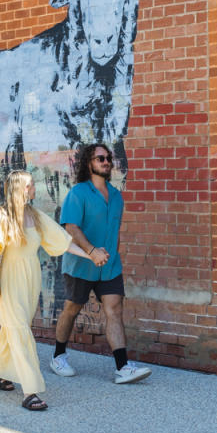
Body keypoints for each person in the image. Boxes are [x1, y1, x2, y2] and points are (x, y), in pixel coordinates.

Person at [0, 169, 106, 411]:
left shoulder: (35, 216)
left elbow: (63, 242)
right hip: (9, 279)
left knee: (15, 329)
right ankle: (30, 391)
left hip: (30, 278)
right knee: (19, 330)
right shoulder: (1, 216)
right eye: (30, 185)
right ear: (21, 189)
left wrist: (91, 256)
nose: (34, 188)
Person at [50, 142, 152, 385]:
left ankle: (122, 367)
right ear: (89, 163)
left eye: (108, 158)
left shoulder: (117, 197)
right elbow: (71, 227)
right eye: (100, 159)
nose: (106, 162)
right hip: (80, 265)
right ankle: (58, 355)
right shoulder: (79, 193)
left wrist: (110, 255)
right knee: (72, 309)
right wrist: (92, 251)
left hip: (110, 266)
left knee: (114, 310)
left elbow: (115, 230)